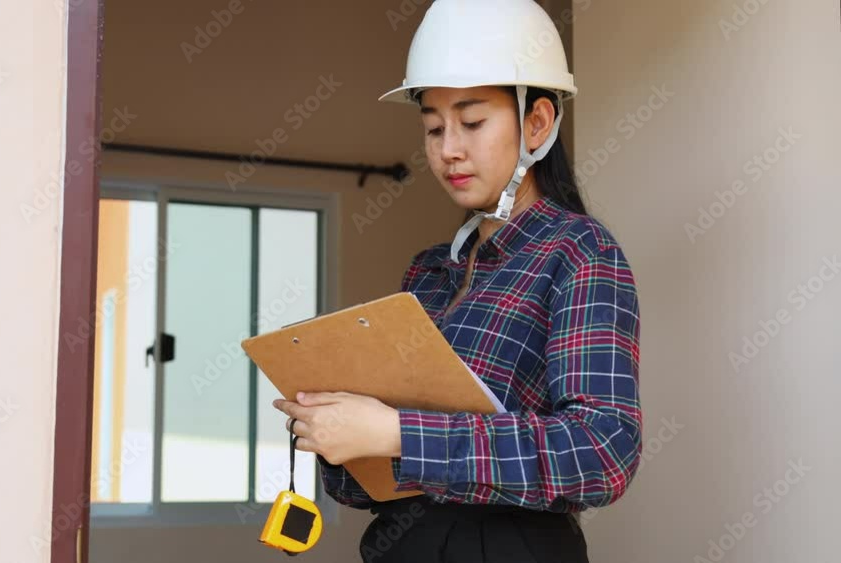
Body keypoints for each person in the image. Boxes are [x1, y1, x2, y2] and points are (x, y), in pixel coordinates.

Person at [272, 1, 642, 561]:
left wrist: (397, 432)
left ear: (537, 122)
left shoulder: (579, 253)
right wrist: (337, 434)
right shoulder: (427, 272)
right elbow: (374, 487)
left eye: (472, 123)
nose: (448, 149)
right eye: (433, 127)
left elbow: (602, 451)